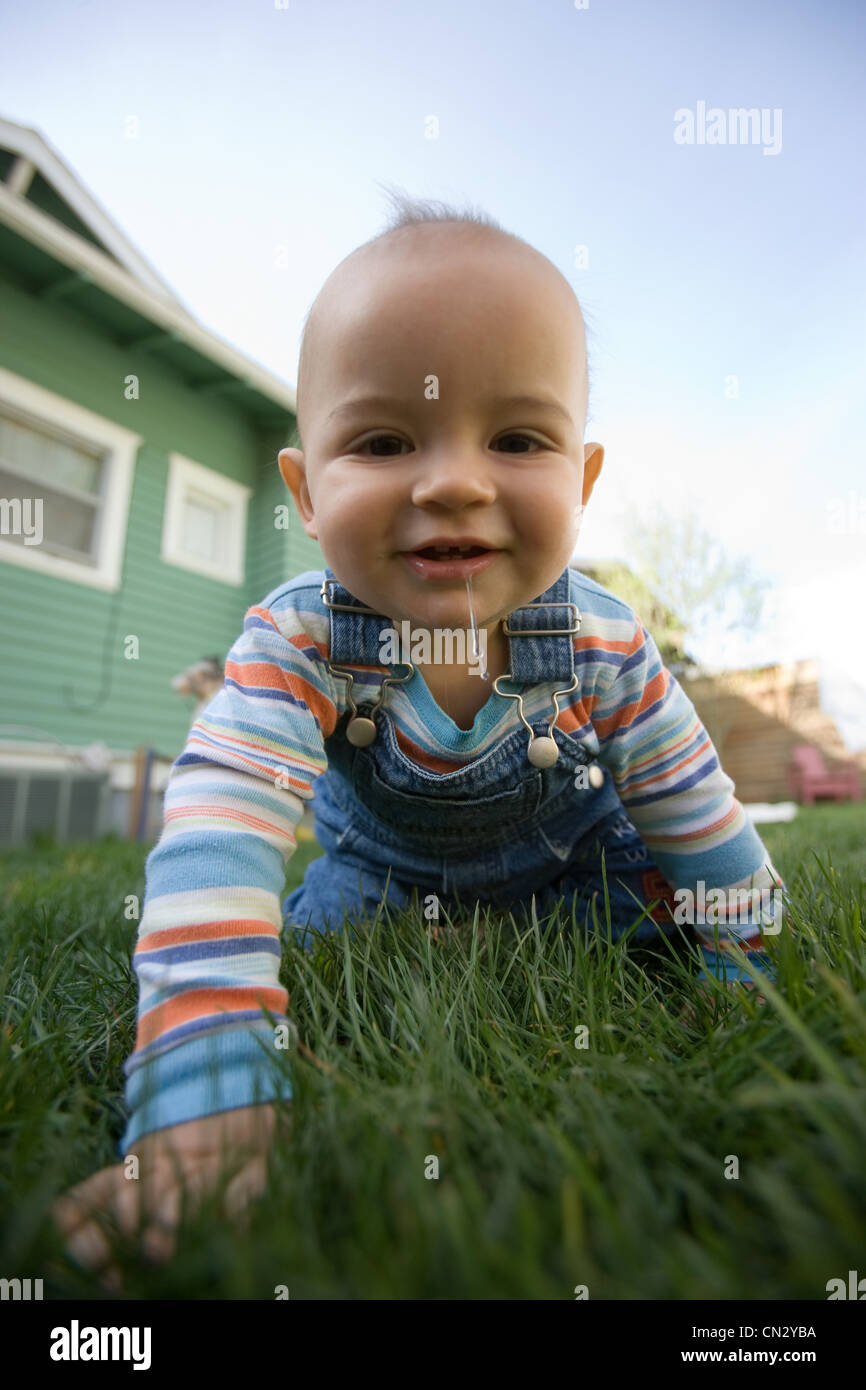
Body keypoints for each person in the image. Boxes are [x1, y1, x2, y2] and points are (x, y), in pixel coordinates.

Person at [54, 194, 783, 1278]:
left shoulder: (602, 643)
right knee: (314, 938)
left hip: (581, 874)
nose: (451, 480)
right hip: (384, 881)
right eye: (385, 440)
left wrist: (741, 972)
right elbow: (221, 828)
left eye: (516, 438)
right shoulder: (297, 639)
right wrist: (199, 1092)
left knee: (657, 909)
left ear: (580, 482)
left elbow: (694, 815)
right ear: (305, 489)